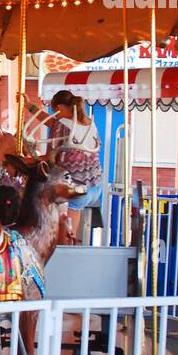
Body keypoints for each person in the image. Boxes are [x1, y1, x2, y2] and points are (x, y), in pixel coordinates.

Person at [48, 89, 103, 242]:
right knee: (70, 229)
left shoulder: (61, 124)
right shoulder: (89, 123)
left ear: (59, 108)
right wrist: (29, 106)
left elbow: (50, 156)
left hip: (74, 186)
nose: (56, 115)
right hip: (95, 186)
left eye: (55, 111)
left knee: (63, 230)